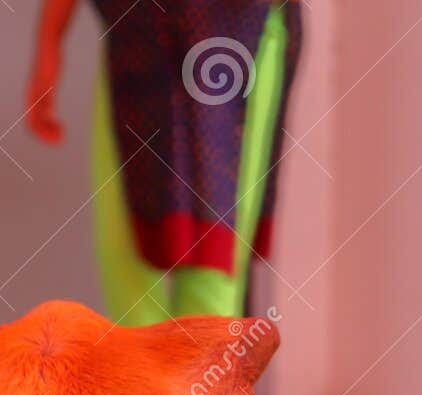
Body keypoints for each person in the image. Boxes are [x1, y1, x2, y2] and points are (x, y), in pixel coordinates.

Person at [25, 1, 302, 324]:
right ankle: (145, 371)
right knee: (127, 258)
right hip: (137, 42)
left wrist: (50, 43)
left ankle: (204, 372)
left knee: (213, 258)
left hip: (236, 35)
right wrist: (50, 43)